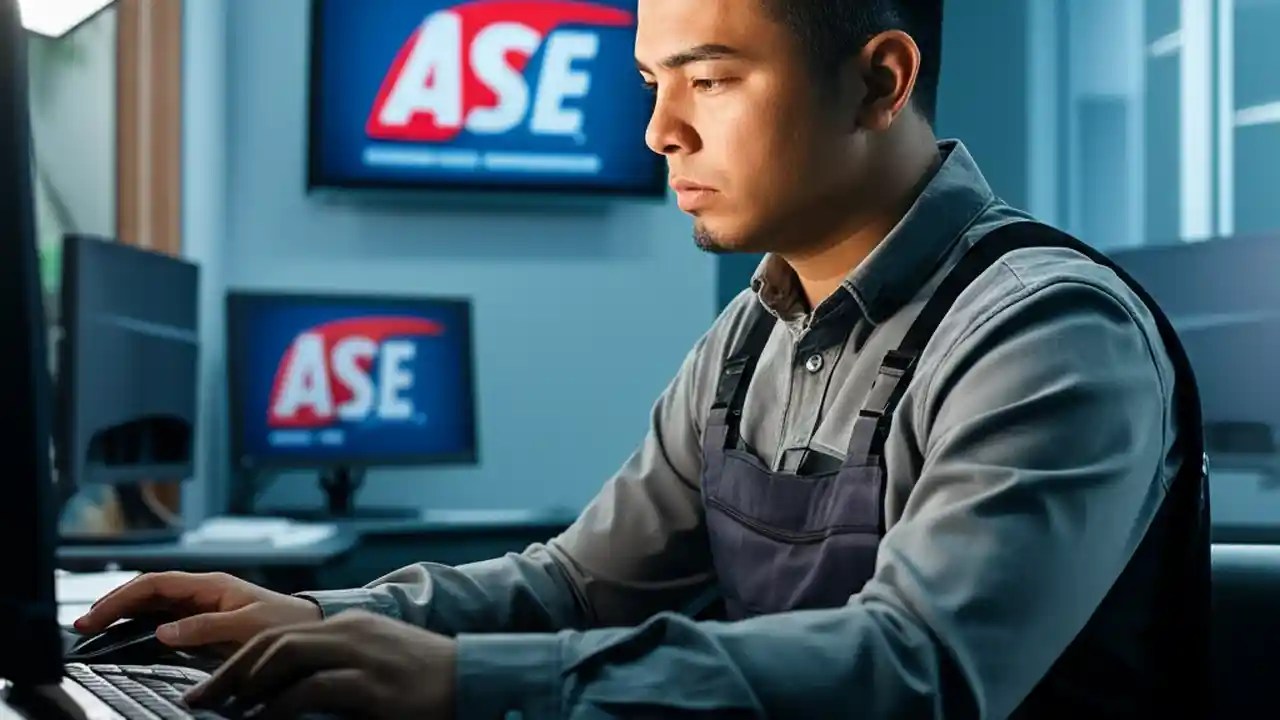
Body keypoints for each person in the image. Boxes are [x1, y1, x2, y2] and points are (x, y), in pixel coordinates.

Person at [75, 0, 1211, 717]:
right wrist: (309, 620)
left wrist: (462, 684)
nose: (658, 131)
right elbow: (577, 584)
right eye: (651, 82)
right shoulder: (751, 333)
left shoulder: (1044, 333)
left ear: (878, 80)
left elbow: (920, 673)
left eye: (708, 79)